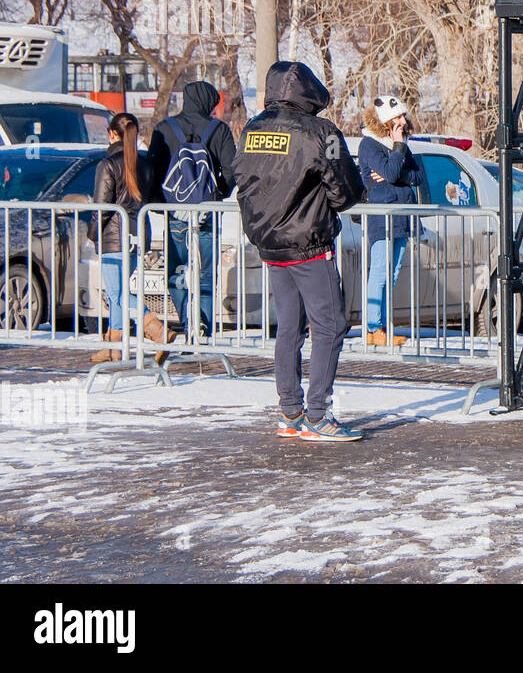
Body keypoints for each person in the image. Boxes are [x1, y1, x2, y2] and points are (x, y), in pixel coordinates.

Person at [235, 62, 367, 442]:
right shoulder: (321, 132)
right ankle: (319, 413)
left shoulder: (253, 128)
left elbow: (241, 178)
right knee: (329, 326)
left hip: (270, 243)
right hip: (309, 244)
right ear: (310, 92)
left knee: (289, 327)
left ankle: (290, 411)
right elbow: (344, 190)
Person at [147, 81, 237, 341]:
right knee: (206, 273)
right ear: (209, 102)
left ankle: (187, 321)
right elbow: (232, 170)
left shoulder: (164, 129)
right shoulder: (218, 129)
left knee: (175, 272)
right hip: (207, 215)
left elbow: (153, 170)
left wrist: (161, 204)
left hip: (175, 213)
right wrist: (216, 195)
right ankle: (202, 329)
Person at [91, 112, 173, 365]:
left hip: (113, 238)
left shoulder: (107, 165)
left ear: (112, 134)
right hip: (139, 236)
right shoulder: (146, 164)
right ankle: (113, 348)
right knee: (119, 293)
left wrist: (92, 236)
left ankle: (156, 328)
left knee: (117, 294)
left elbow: (101, 208)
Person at [358, 96, 427, 347]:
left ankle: (383, 326)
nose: (402, 121)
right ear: (386, 121)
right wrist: (396, 153)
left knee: (394, 271)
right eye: (397, 118)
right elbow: (388, 172)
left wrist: (397, 172)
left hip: (402, 215)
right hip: (382, 215)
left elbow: (418, 176)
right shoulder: (370, 145)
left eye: (403, 117)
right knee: (379, 271)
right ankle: (374, 327)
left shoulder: (402, 145)